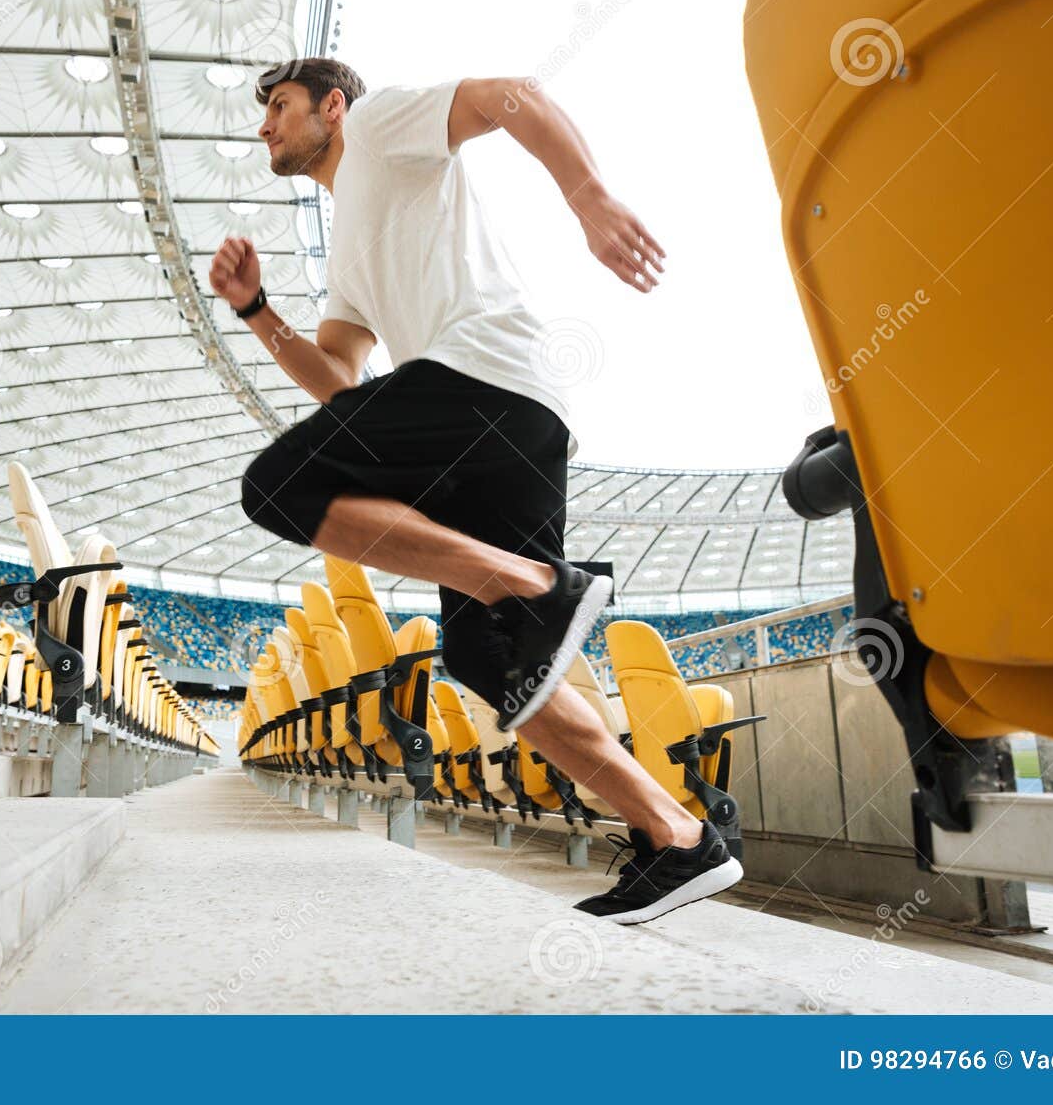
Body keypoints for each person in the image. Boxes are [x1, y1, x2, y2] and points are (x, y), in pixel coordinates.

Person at [208, 58, 741, 923]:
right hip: (487, 418)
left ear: (331, 106)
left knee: (281, 482)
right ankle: (678, 836)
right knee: (488, 657)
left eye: (277, 106)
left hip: (487, 379)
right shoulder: (348, 237)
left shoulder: (381, 129)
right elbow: (341, 379)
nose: (264, 125)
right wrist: (259, 311)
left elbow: (511, 96)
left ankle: (538, 586)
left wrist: (588, 198)